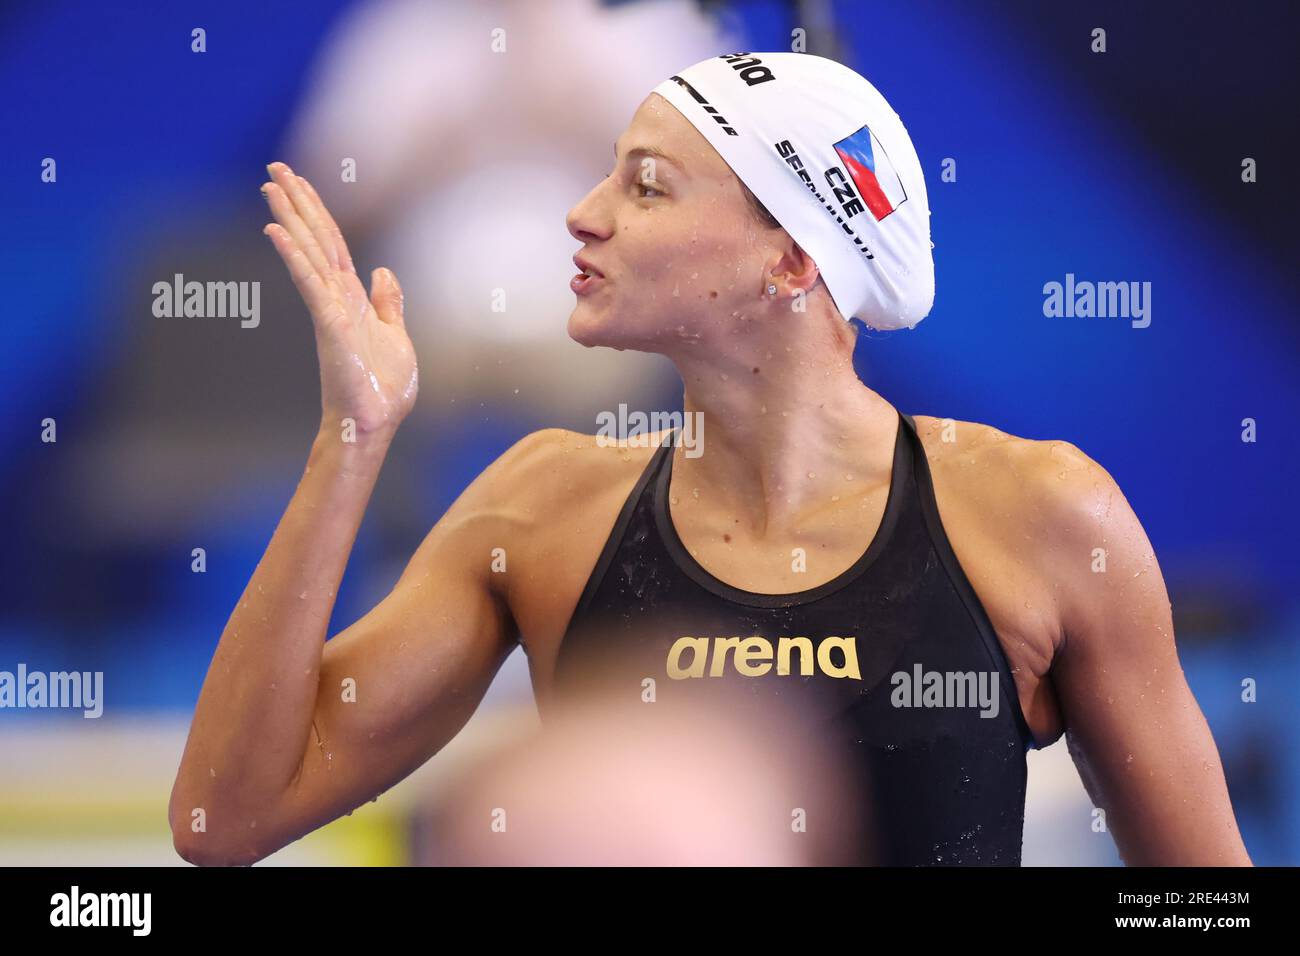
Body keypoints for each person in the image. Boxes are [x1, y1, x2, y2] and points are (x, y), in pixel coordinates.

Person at [169, 53, 1251, 866]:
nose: (582, 215)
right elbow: (225, 814)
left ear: (790, 257)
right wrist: (351, 438)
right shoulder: (542, 510)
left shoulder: (1040, 516)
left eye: (644, 186)